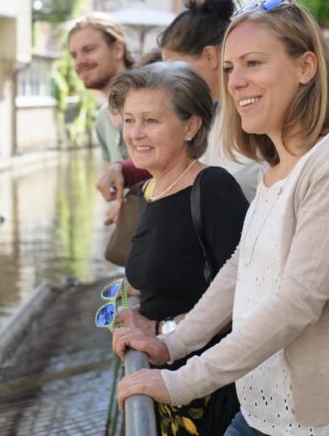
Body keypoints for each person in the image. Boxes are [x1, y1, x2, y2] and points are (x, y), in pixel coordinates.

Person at [112, 0, 329, 435]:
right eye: (229, 69)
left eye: (253, 63)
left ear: (306, 67)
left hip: (327, 419)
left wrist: (182, 381)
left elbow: (298, 301)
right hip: (261, 407)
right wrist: (171, 344)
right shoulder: (276, 165)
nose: (235, 82)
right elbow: (239, 269)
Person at [108, 61, 248, 435]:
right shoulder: (148, 191)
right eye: (129, 120)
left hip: (211, 391)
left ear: (191, 126)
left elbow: (250, 296)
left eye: (151, 120)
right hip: (164, 387)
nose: (135, 133)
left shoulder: (213, 188)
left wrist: (159, 327)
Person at [96, 0, 261, 214]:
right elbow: (181, 163)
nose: (166, 77)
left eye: (174, 66)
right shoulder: (212, 113)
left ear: (211, 57)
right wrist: (124, 170)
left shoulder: (254, 116)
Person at [67, 12, 133, 163]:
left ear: (117, 49)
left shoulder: (154, 103)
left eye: (88, 50)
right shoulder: (102, 120)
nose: (79, 62)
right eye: (74, 55)